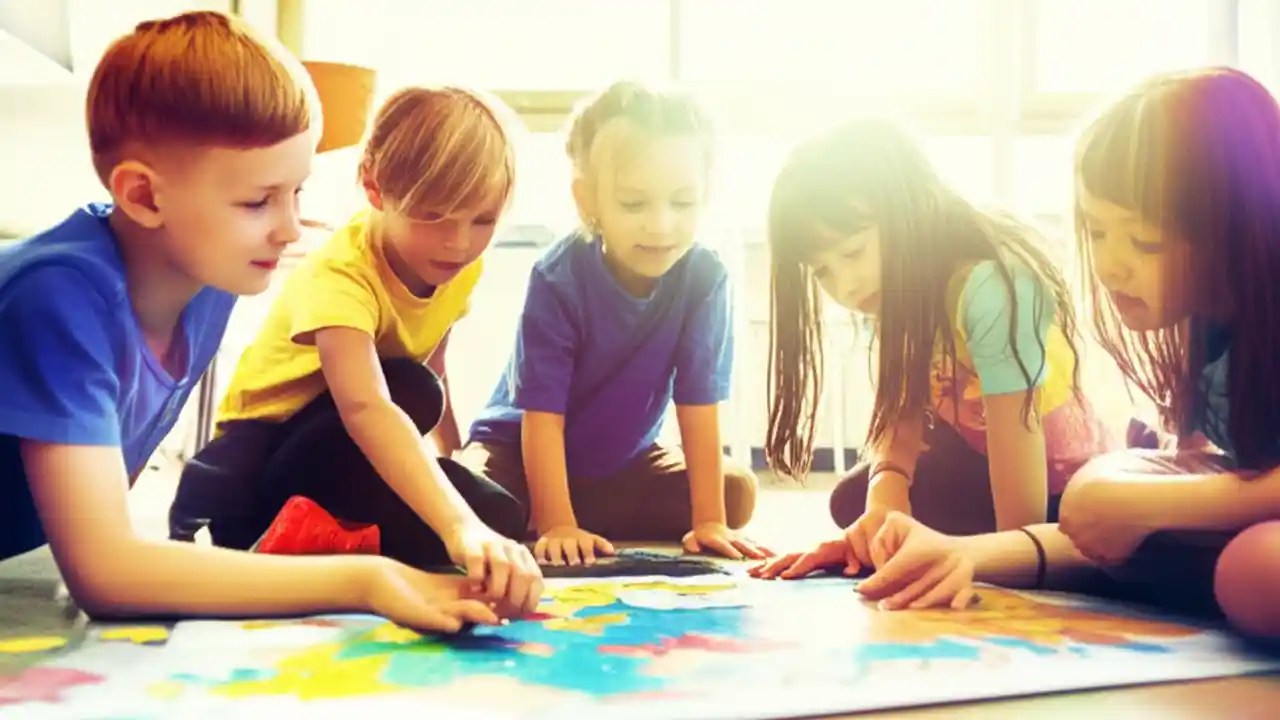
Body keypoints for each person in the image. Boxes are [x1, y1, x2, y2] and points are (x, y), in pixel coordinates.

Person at [0, 11, 513, 632]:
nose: (292, 228)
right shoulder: (58, 298)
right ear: (142, 196)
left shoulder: (210, 279)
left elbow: (104, 522)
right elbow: (103, 575)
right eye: (257, 201)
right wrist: (370, 578)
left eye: (296, 193)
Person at [755, 69, 1280, 640]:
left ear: (1239, 225)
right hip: (1201, 494)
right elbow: (1194, 465)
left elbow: (1049, 485)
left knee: (1250, 569)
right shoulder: (1202, 316)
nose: (1109, 267)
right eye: (1097, 233)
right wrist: (939, 536)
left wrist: (1154, 510)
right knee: (1098, 504)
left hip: (1075, 478)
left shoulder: (990, 286)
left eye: (1144, 242)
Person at [168, 84, 543, 612]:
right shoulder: (342, 273)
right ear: (375, 187)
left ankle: (328, 539)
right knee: (408, 391)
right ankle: (267, 531)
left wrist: (454, 467)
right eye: (433, 215)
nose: (459, 242)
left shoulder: (460, 265)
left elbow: (434, 363)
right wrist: (455, 524)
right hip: (270, 453)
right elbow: (365, 406)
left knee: (499, 517)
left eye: (482, 220)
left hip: (356, 447)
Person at [764, 118, 1112, 557]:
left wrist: (1004, 556)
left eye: (853, 252)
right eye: (823, 272)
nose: (847, 286)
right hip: (978, 462)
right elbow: (901, 408)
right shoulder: (896, 288)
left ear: (910, 211)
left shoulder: (992, 289)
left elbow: (1019, 478)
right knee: (856, 501)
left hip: (1059, 480)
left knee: (1083, 535)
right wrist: (885, 502)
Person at [459, 81, 770, 566]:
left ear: (706, 196)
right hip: (518, 453)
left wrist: (708, 520)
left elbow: (699, 401)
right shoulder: (557, 277)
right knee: (472, 502)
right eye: (634, 204)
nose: (661, 225)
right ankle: (555, 512)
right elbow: (542, 416)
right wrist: (556, 522)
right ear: (588, 201)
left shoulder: (704, 277)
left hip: (621, 463)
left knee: (735, 493)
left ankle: (582, 513)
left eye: (682, 203)